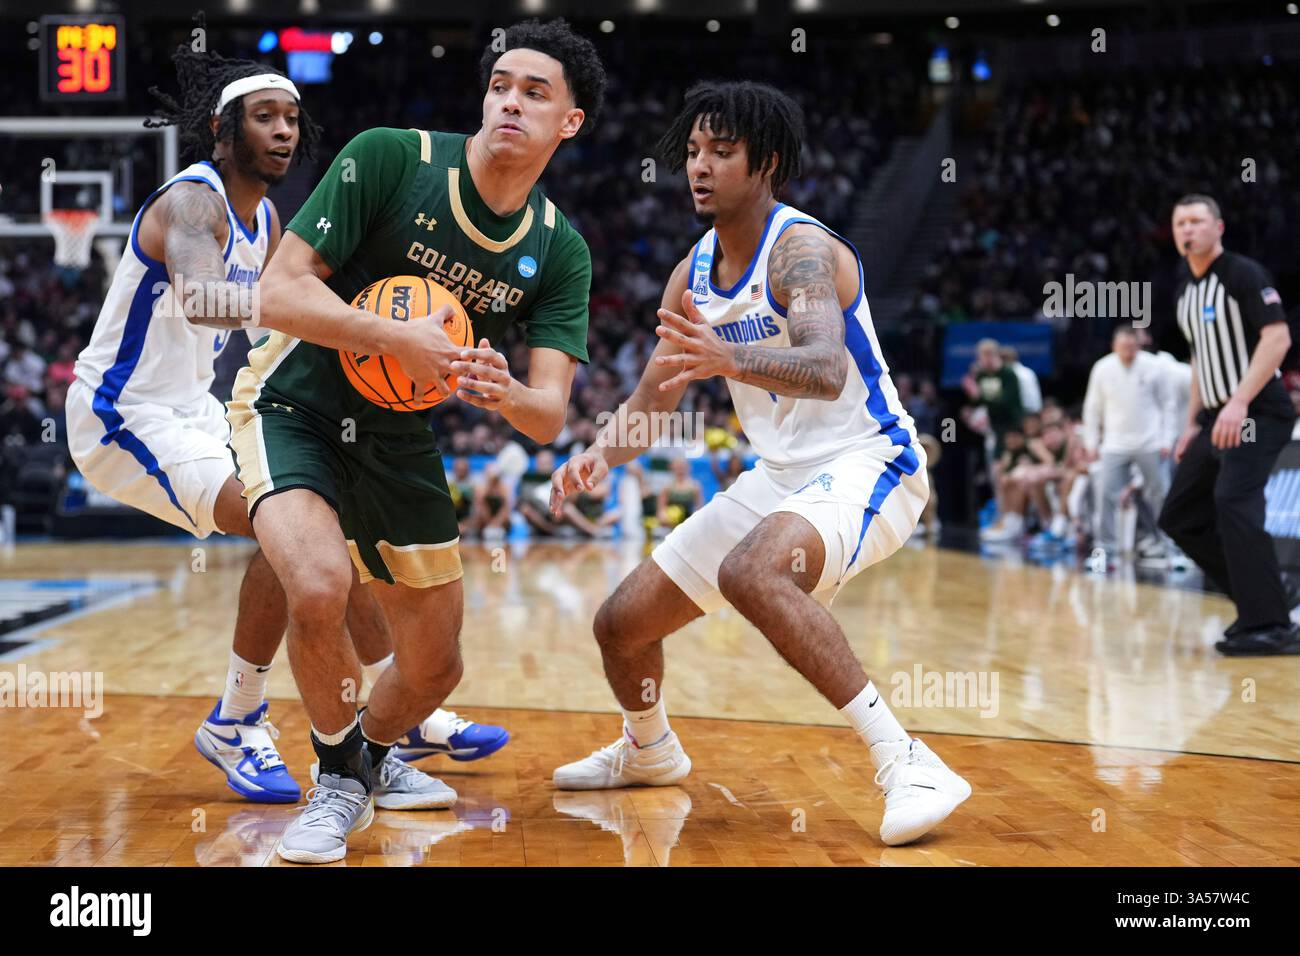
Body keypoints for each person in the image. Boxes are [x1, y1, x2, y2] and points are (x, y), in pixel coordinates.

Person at [64, 44, 507, 808]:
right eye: (264, 117)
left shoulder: (265, 218)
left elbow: (282, 328)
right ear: (221, 128)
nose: (283, 132)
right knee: (284, 522)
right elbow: (205, 300)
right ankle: (237, 718)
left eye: (293, 119)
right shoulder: (193, 203)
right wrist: (359, 327)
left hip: (195, 408)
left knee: (317, 524)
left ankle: (391, 713)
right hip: (120, 415)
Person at [549, 81, 969, 847]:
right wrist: (596, 456)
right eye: (693, 152)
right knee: (621, 625)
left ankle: (908, 760)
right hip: (778, 477)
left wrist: (728, 356)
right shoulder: (693, 274)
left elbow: (825, 366)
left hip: (868, 459)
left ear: (765, 163)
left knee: (753, 571)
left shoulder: (800, 251)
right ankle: (649, 751)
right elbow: (655, 395)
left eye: (722, 152)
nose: (699, 167)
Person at [236, 18, 605, 861]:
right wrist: (391, 337)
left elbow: (548, 414)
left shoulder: (560, 251)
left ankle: (367, 757)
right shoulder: (393, 158)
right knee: (322, 587)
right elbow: (277, 295)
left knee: (436, 667)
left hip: (398, 433)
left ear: (570, 124)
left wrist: (500, 388)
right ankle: (336, 784)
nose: (510, 101)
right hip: (292, 400)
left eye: (535, 93)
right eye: (501, 85)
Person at [1158, 194, 1299, 655]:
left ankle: (1273, 625)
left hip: (1258, 409)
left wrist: (1240, 401)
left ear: (1219, 228)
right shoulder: (1185, 289)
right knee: (1179, 514)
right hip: (1217, 415)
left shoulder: (1243, 274)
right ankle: (1264, 598)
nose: (1188, 229)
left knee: (1233, 500)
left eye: (1197, 221)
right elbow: (1201, 358)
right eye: (1181, 223)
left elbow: (1277, 338)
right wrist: (1191, 424)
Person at [1080, 326, 1177, 565]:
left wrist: (1167, 439)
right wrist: (1091, 442)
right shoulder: (1102, 368)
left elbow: (1169, 405)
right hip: (1114, 444)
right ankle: (1104, 553)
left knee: (1160, 496)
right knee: (1105, 496)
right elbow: (1092, 408)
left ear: (1139, 344)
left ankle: (1171, 550)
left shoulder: (1155, 366)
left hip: (1150, 442)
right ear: (1114, 345)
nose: (1128, 351)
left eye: (1132, 346)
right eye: (1123, 347)